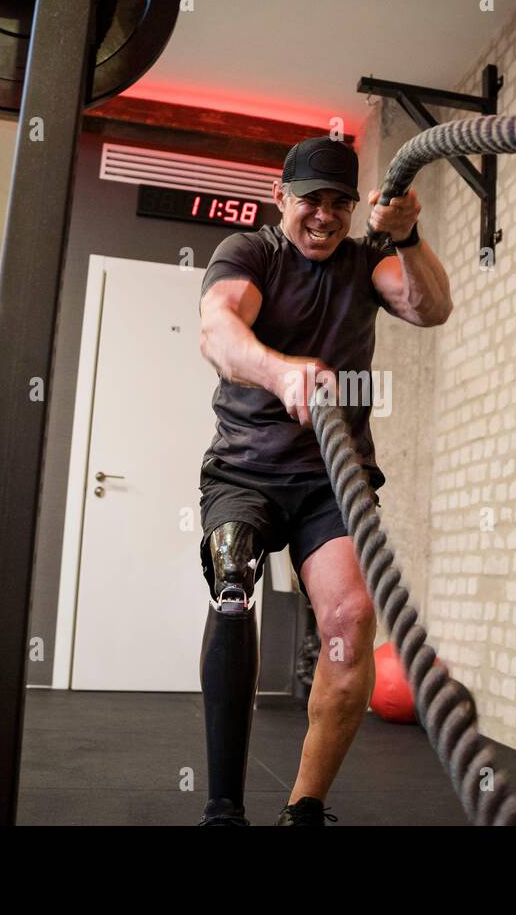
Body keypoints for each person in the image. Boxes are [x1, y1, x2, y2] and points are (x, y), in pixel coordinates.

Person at [195, 135, 453, 825]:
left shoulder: (367, 261)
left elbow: (430, 308)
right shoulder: (249, 254)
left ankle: (304, 807)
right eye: (312, 200)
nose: (325, 216)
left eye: (340, 203)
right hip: (246, 469)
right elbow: (217, 330)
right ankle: (223, 806)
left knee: (351, 618)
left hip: (331, 481)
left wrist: (409, 236)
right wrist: (282, 371)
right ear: (281, 197)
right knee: (231, 581)